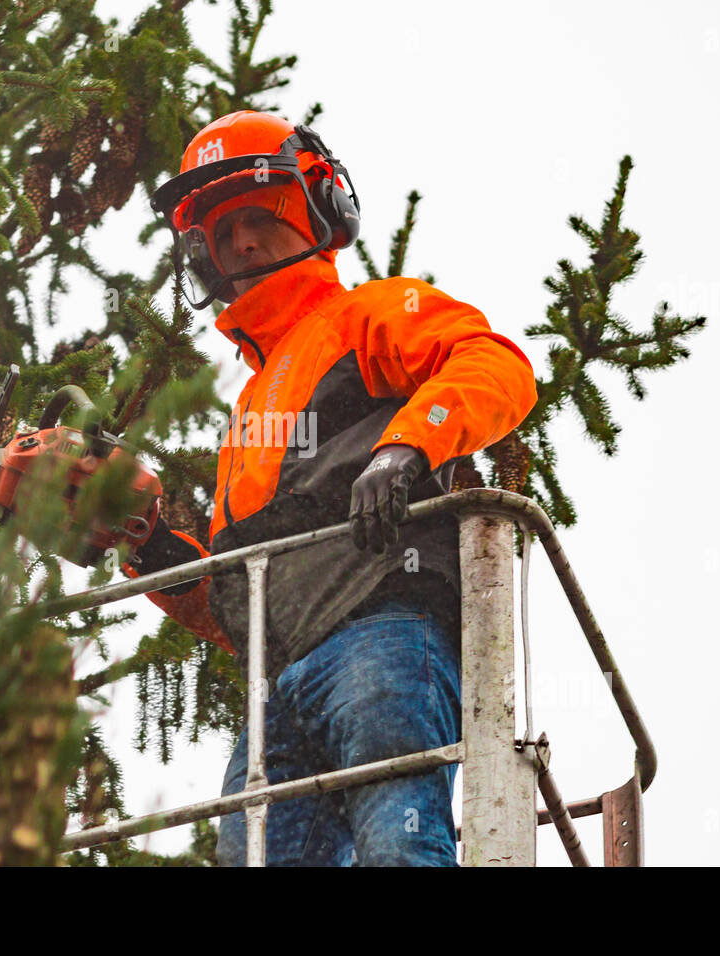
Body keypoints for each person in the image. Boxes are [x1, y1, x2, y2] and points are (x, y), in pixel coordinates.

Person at [123, 110, 538, 866]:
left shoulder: (365, 316)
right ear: (202, 252)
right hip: (279, 687)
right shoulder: (248, 416)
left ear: (320, 212)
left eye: (260, 215)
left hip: (383, 629)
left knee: (397, 840)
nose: (242, 241)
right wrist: (145, 544)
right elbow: (239, 605)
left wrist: (406, 446)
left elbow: (494, 364)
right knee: (252, 854)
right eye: (223, 230)